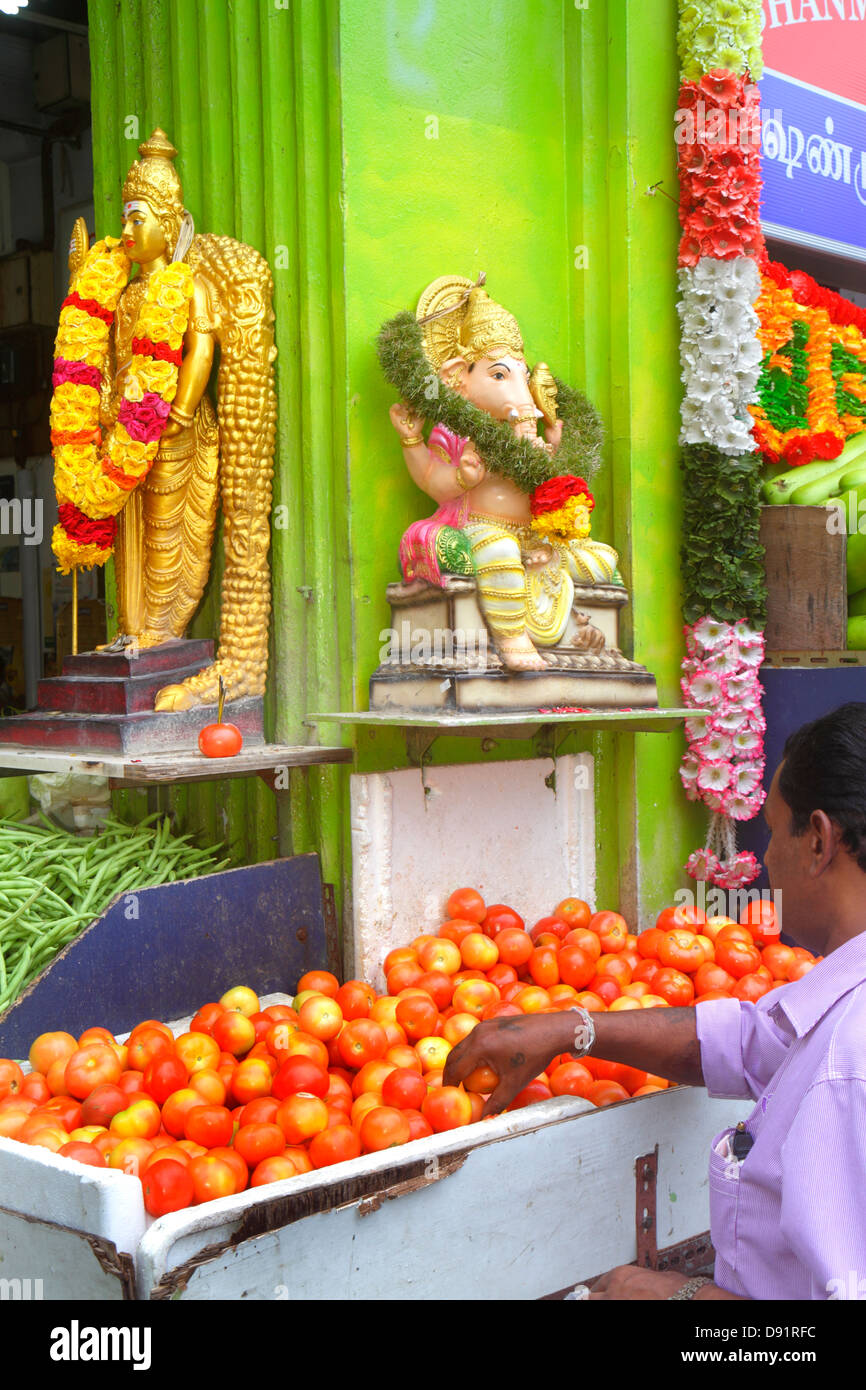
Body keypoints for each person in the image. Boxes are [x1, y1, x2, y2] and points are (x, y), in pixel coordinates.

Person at [443, 701, 866, 1301]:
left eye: (772, 830)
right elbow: (753, 1044)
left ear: (818, 841)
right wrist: (573, 1029)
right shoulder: (840, 1008)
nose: (766, 858)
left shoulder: (849, 1065)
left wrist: (679, 1299)